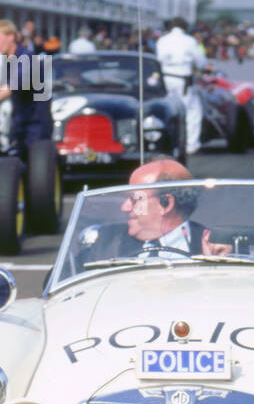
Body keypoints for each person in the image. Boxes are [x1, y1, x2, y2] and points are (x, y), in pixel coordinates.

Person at [80, 159, 219, 262]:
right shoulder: (107, 240)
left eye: (135, 199)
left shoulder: (214, 244)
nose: (125, 207)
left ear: (166, 204)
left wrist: (214, 266)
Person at [0, 19, 49, 158]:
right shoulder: (8, 60)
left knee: (36, 174)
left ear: (11, 36)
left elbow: (11, 86)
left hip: (35, 126)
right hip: (19, 124)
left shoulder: (27, 58)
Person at [156, 17, 206, 155]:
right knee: (192, 110)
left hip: (167, 78)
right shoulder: (189, 41)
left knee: (170, 110)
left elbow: (158, 59)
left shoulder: (162, 40)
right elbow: (201, 62)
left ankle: (170, 143)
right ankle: (191, 144)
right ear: (185, 27)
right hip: (183, 78)